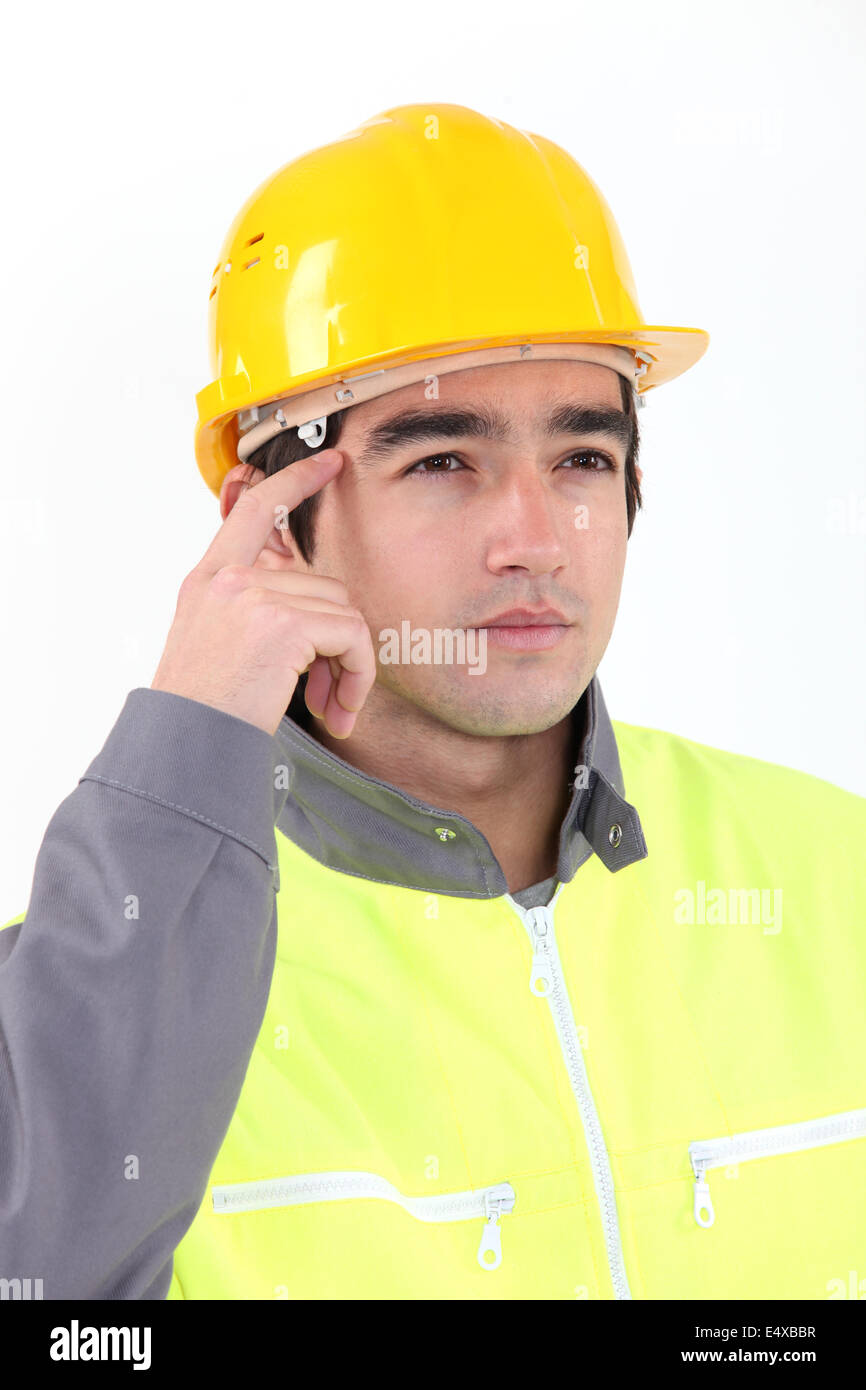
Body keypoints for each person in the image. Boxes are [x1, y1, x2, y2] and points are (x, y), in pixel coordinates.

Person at [2, 102, 864, 1302]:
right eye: (442, 460)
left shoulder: (833, 872)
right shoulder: (118, 963)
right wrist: (186, 745)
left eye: (581, 460)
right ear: (272, 516)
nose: (535, 541)